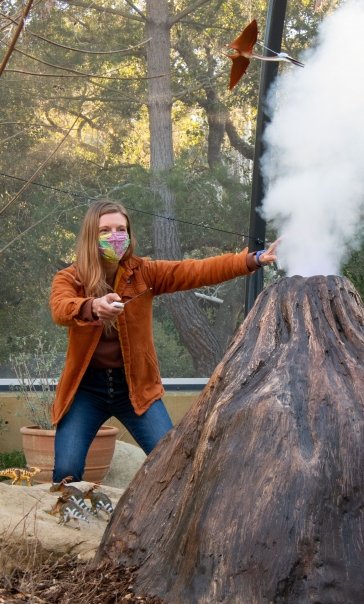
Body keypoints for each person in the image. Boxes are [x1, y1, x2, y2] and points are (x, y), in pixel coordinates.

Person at [49, 199, 279, 482]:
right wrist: (93, 306)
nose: (115, 236)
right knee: (66, 472)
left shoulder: (143, 272)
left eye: (121, 229)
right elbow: (60, 308)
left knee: (173, 468)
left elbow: (196, 270)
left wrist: (253, 259)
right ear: (90, 236)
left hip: (136, 388)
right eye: (105, 230)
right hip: (85, 390)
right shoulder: (70, 278)